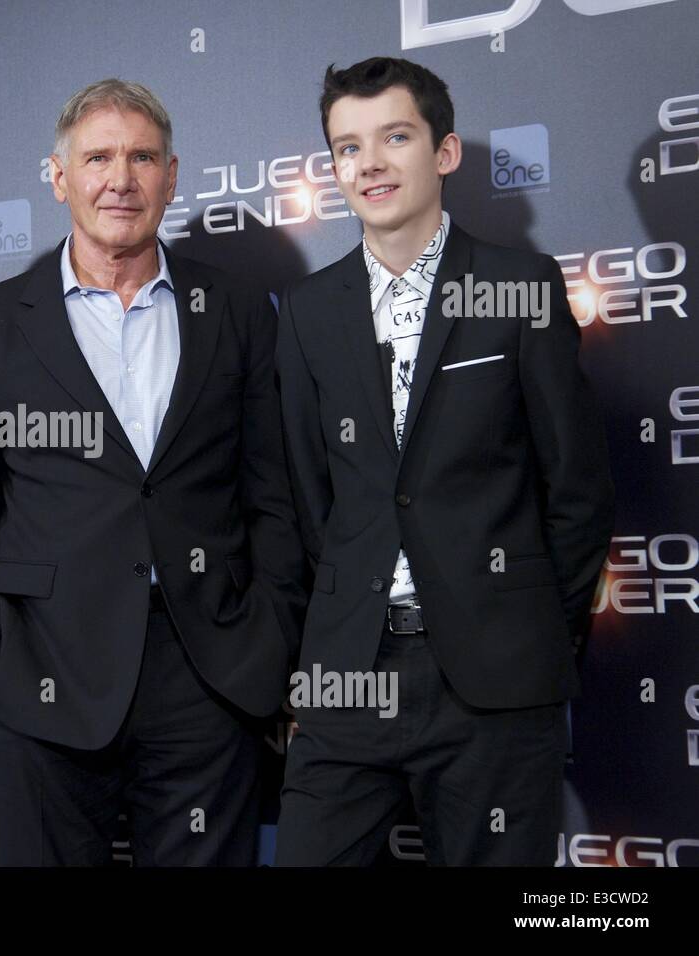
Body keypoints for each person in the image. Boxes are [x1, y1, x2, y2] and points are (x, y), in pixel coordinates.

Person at [0, 79, 307, 866]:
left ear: (172, 174)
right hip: (43, 670)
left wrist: (267, 647)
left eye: (141, 157)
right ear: (60, 177)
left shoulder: (236, 308)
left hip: (210, 671)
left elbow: (273, 495)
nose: (120, 178)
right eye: (97, 157)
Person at [273, 57, 614, 866]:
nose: (372, 164)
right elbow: (306, 500)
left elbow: (577, 490)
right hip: (349, 676)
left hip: (495, 680)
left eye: (395, 137)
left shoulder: (517, 285)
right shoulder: (309, 313)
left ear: (445, 152)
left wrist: (531, 636)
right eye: (349, 147)